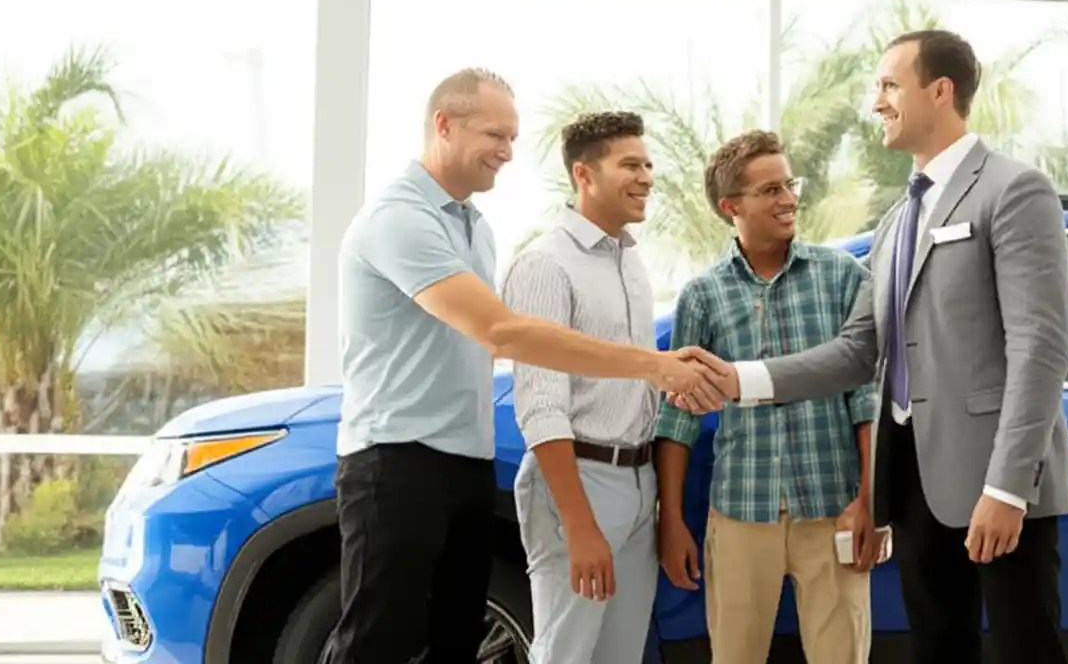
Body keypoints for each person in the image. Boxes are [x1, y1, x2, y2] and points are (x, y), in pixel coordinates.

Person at [677, 30, 1068, 664]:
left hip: (995, 484)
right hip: (916, 484)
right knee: (937, 649)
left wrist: (1008, 489)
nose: (877, 102)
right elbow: (857, 351)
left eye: (891, 85)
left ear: (940, 90)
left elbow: (1042, 346)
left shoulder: (1013, 190)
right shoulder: (900, 218)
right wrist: (737, 380)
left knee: (1025, 648)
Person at [332, 68, 729, 663]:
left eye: (513, 139)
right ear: (444, 124)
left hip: (465, 463)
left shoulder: (475, 228)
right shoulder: (399, 219)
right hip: (395, 464)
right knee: (376, 645)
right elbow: (502, 332)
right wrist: (653, 366)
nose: (508, 153)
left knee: (455, 644)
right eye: (496, 135)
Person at [654, 129, 882, 664]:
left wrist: (869, 501)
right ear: (732, 206)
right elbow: (678, 418)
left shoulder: (842, 277)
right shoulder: (703, 296)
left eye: (790, 184)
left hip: (832, 507)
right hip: (739, 512)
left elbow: (865, 397)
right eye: (771, 190)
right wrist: (671, 521)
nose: (789, 199)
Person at [500, 110, 662, 663]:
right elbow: (541, 405)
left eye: (647, 164)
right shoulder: (545, 266)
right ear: (584, 175)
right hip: (582, 485)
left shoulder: (631, 263)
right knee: (565, 653)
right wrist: (580, 525)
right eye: (629, 165)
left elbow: (634, 376)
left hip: (640, 483)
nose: (645, 177)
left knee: (620, 656)